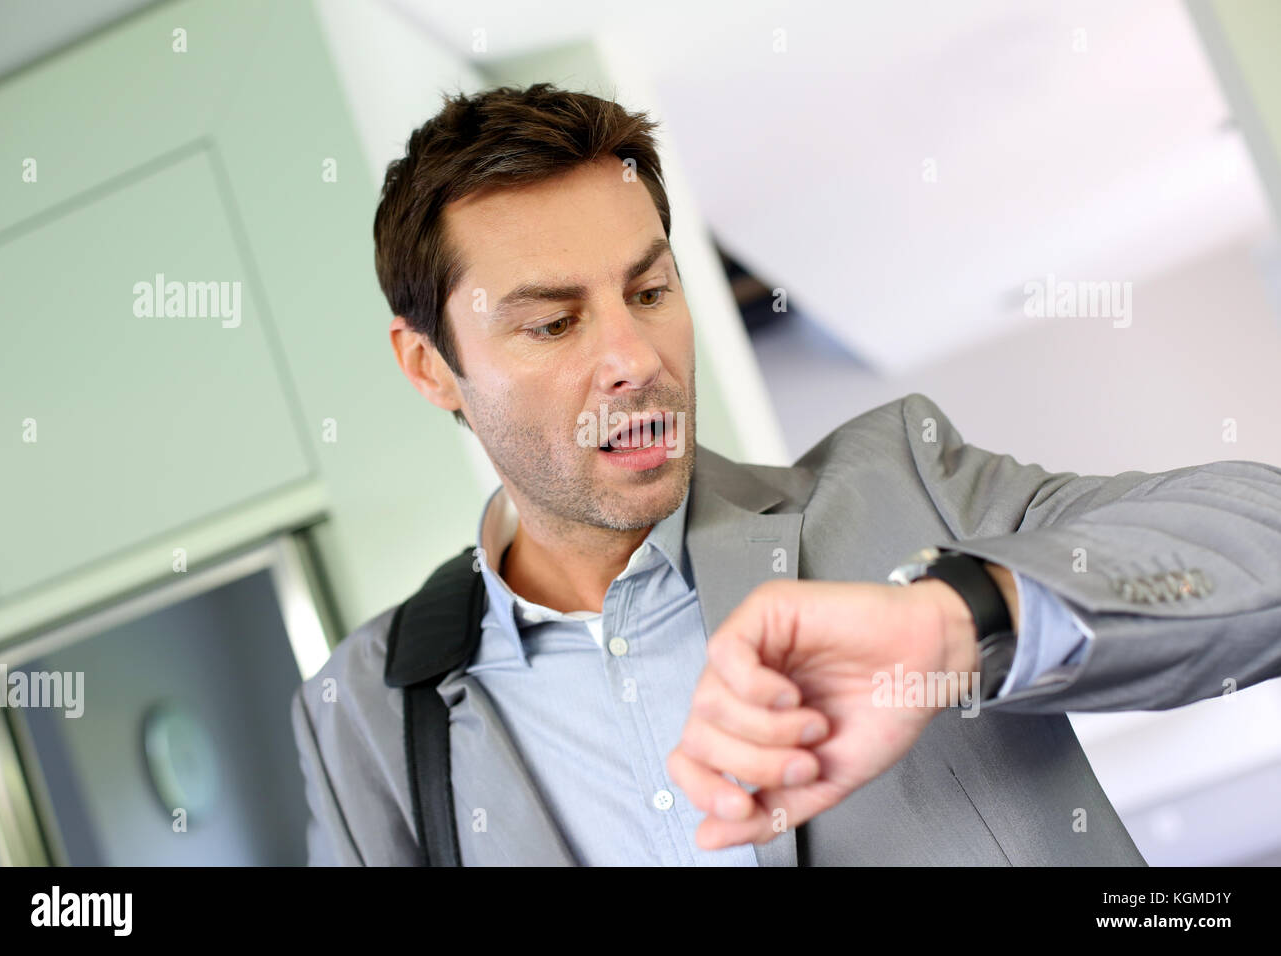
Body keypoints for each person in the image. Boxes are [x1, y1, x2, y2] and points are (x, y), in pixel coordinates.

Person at [289, 83, 1281, 865]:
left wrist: (955, 619)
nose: (634, 353)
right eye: (552, 322)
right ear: (429, 365)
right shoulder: (368, 718)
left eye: (649, 287)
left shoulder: (895, 493)